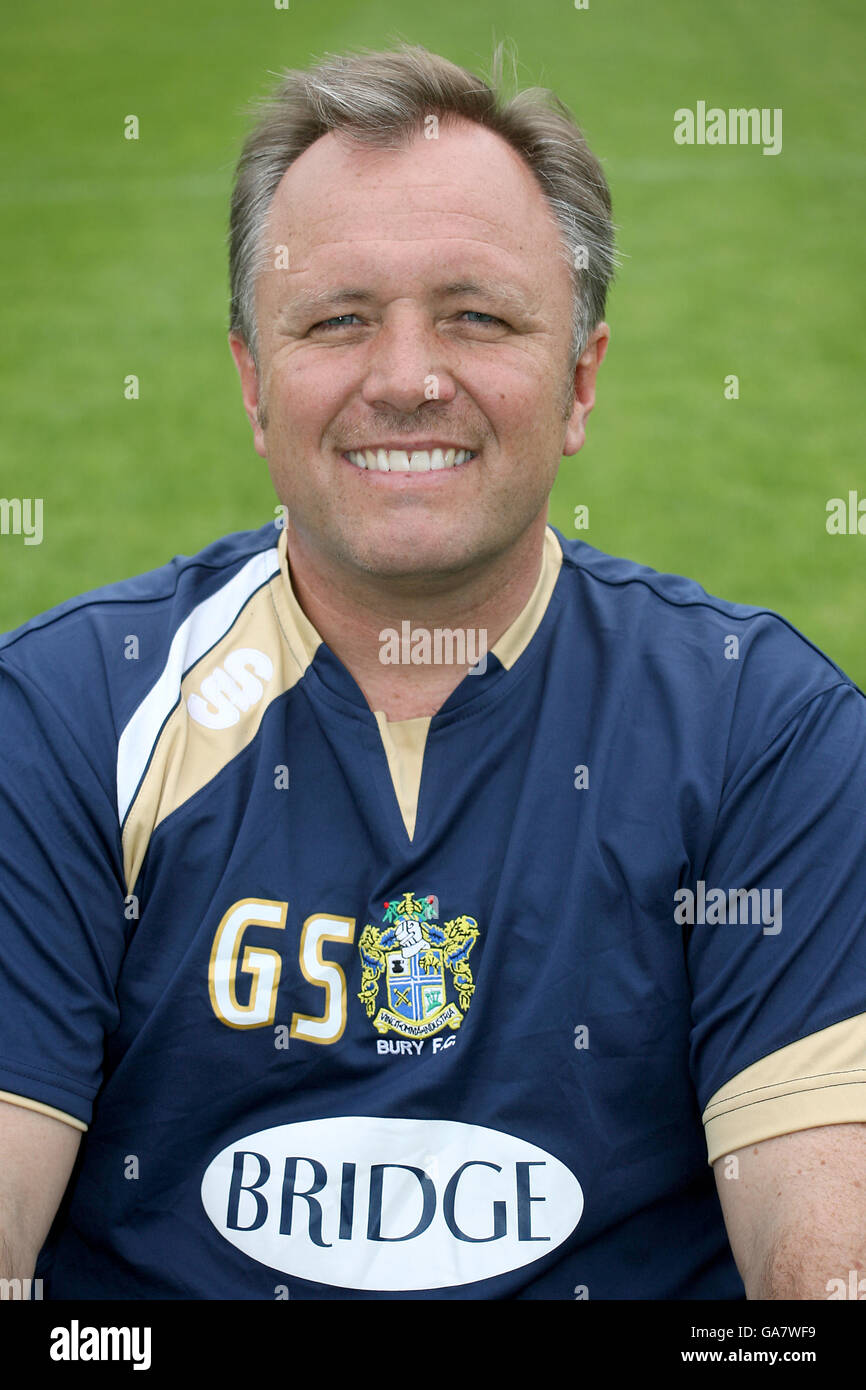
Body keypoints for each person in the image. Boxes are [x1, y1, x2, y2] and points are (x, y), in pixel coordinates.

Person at [1, 42, 864, 1302]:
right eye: (338, 319)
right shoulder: (64, 716)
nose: (407, 380)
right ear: (253, 382)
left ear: (577, 380)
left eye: (477, 316)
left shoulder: (762, 731)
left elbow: (819, 1276)